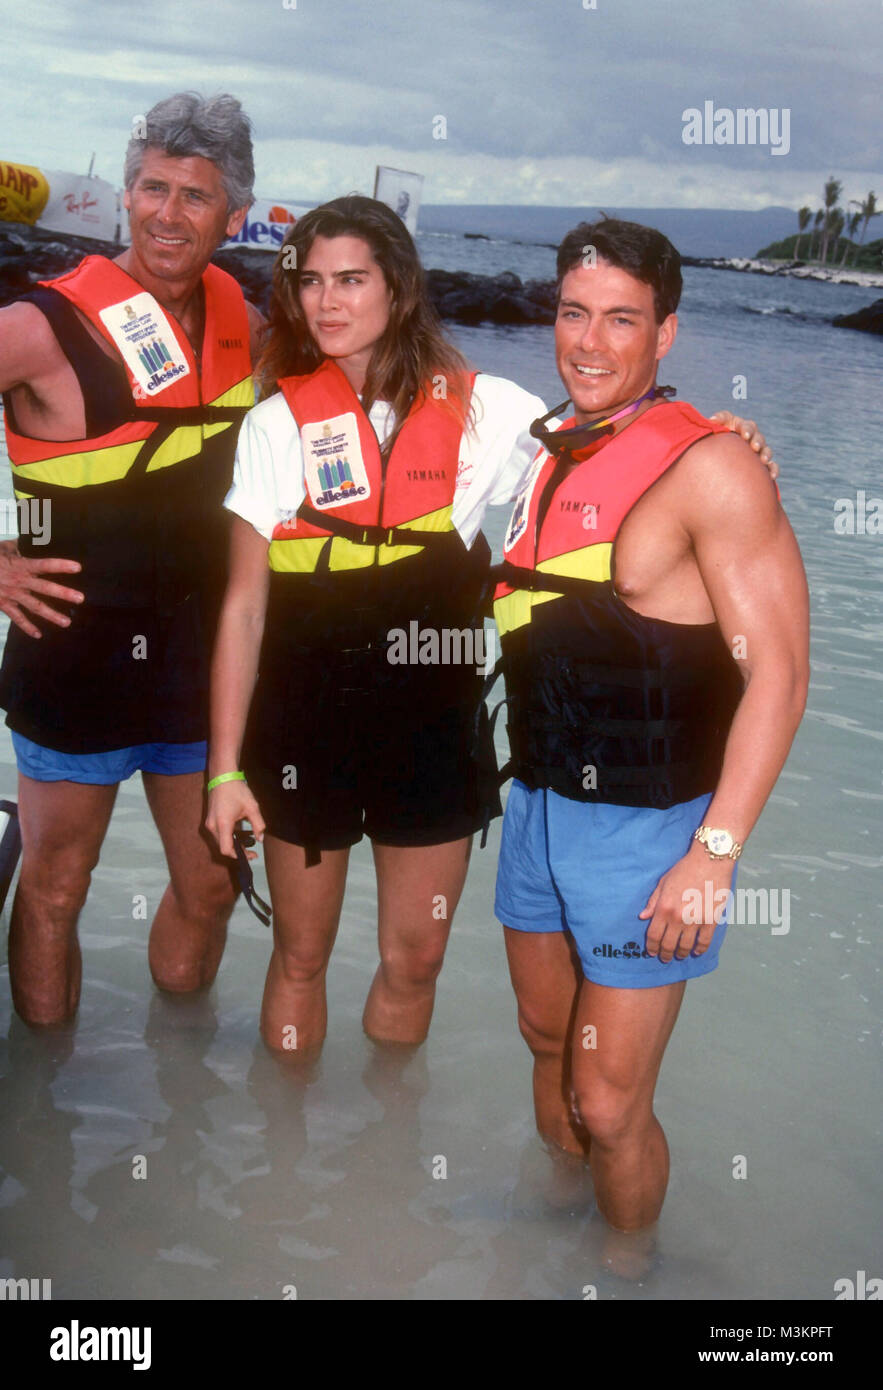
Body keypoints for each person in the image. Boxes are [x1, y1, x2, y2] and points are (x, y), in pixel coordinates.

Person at [205, 195, 774, 1057]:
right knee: (299, 955)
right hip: (299, 728)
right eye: (309, 281)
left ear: (397, 290)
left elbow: (615, 428)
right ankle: (286, 1176)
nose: (326, 302)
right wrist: (222, 772)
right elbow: (242, 609)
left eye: (351, 280)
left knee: (415, 959)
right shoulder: (273, 425)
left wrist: (725, 438)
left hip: (433, 728)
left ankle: (384, 1157)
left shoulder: (491, 410)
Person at [492, 218, 809, 1234]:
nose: (588, 341)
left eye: (621, 319)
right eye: (572, 313)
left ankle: (630, 1275)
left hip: (647, 831)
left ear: (665, 332)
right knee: (546, 1043)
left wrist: (713, 854)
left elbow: (782, 678)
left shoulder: (713, 469)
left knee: (609, 1098)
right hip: (537, 804)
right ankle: (554, 1242)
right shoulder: (543, 452)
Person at [0, 92, 265, 1025]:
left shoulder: (249, 320)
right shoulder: (39, 325)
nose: (167, 213)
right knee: (56, 889)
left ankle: (181, 1098)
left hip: (200, 669)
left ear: (233, 216)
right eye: (152, 188)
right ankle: (45, 1116)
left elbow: (384, 382)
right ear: (124, 193)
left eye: (195, 196)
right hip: (71, 654)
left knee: (211, 888)